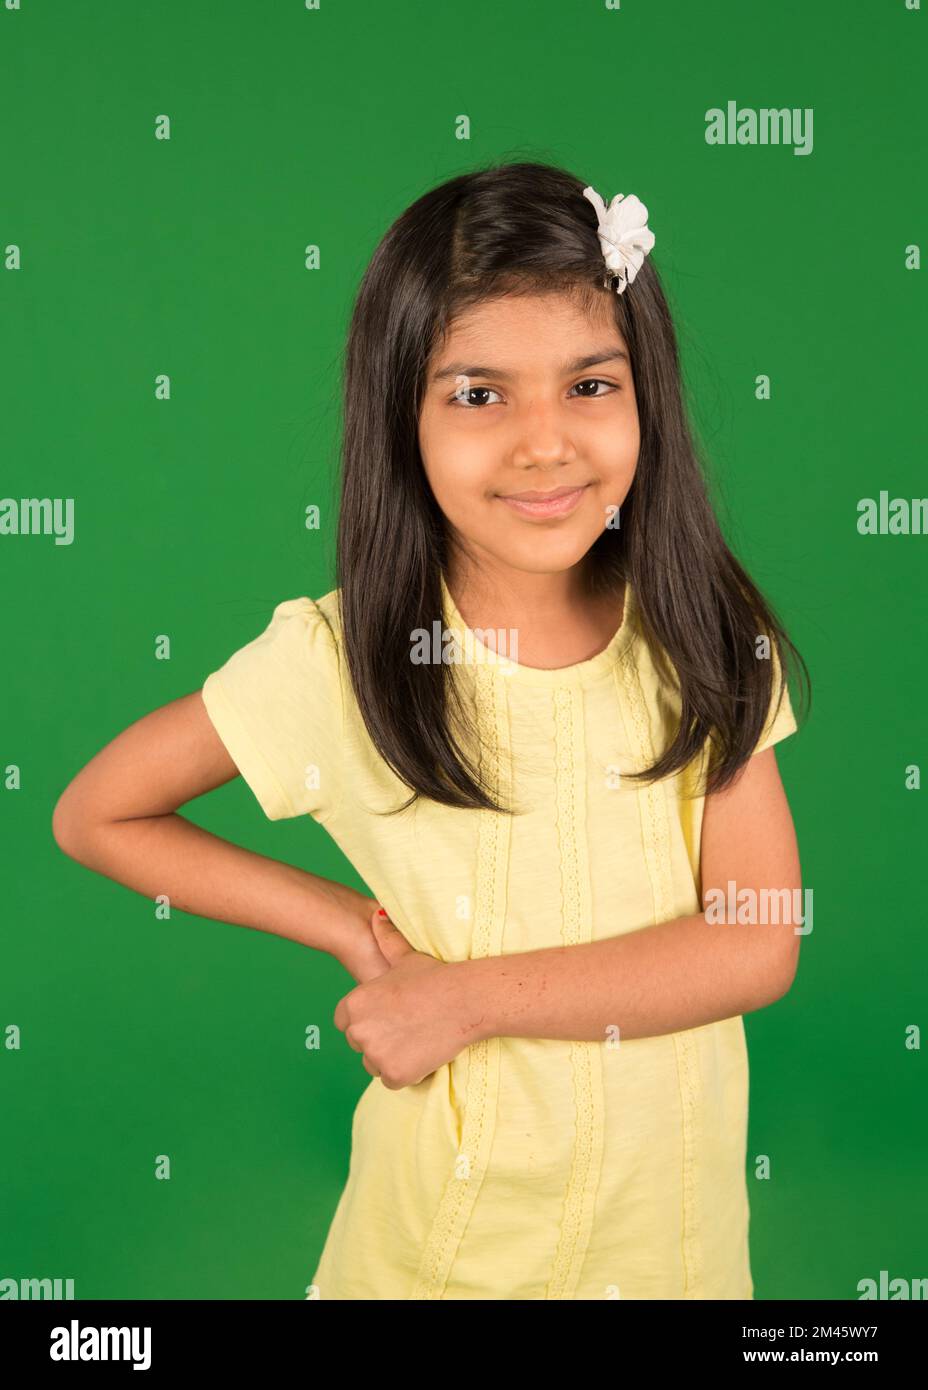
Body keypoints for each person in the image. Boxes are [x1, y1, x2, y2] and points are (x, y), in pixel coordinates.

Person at [52, 160, 809, 1300]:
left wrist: (462, 997)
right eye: (478, 393)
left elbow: (755, 938)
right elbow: (98, 811)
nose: (545, 443)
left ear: (646, 390)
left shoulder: (701, 629)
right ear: (398, 415)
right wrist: (350, 929)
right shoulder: (343, 660)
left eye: (590, 385)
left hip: (672, 1259)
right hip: (439, 1261)